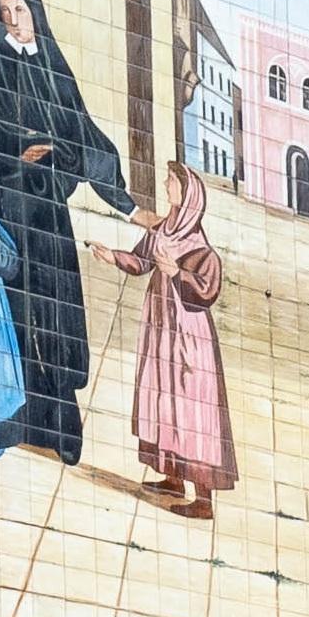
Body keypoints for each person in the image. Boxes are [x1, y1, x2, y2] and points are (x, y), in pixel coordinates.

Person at [0, 0, 133, 466]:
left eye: (21, 10)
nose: (14, 20)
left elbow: (84, 133)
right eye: (4, 12)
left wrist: (125, 202)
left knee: (55, 305)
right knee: (13, 307)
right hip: (4, 208)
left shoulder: (54, 67)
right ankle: (15, 414)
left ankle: (60, 418)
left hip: (48, 213)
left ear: (36, 13)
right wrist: (13, 153)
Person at [108, 158, 236, 514]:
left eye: (171, 182)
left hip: (189, 336)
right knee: (163, 396)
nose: (166, 185)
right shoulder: (164, 229)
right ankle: (173, 476)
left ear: (188, 194)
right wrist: (112, 256)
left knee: (193, 405)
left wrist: (178, 272)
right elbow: (140, 262)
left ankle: (204, 500)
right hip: (161, 329)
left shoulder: (197, 244)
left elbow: (208, 290)